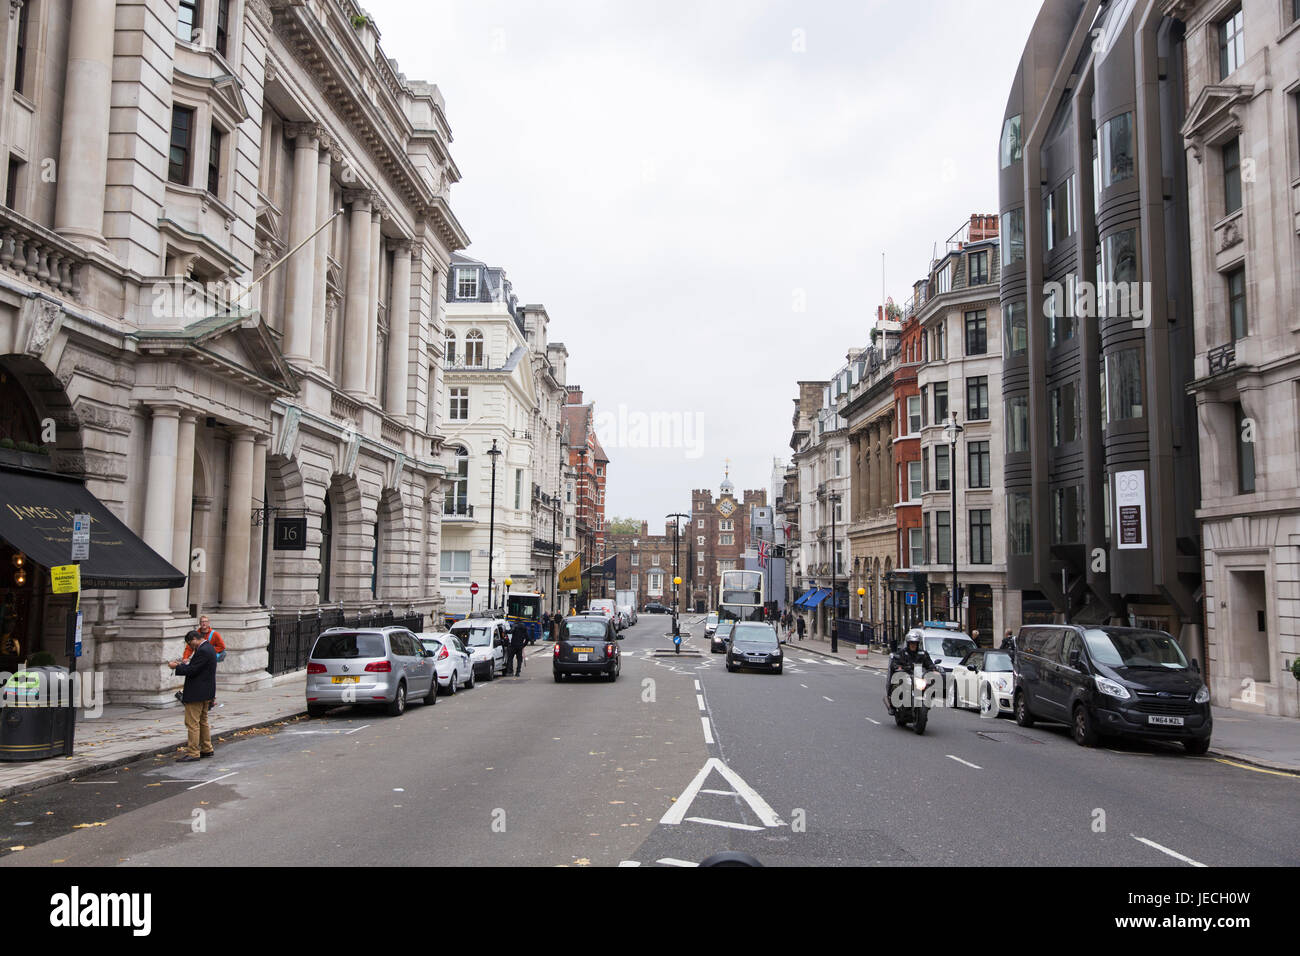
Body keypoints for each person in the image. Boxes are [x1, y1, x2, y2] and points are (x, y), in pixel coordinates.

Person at [168, 630, 217, 762]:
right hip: (206, 691)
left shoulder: (203, 650)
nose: (191, 646)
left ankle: (193, 752)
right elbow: (197, 667)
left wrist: (176, 667)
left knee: (192, 723)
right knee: (203, 721)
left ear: (195, 638)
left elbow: (193, 670)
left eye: (190, 643)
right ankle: (207, 748)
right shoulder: (209, 648)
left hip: (197, 693)